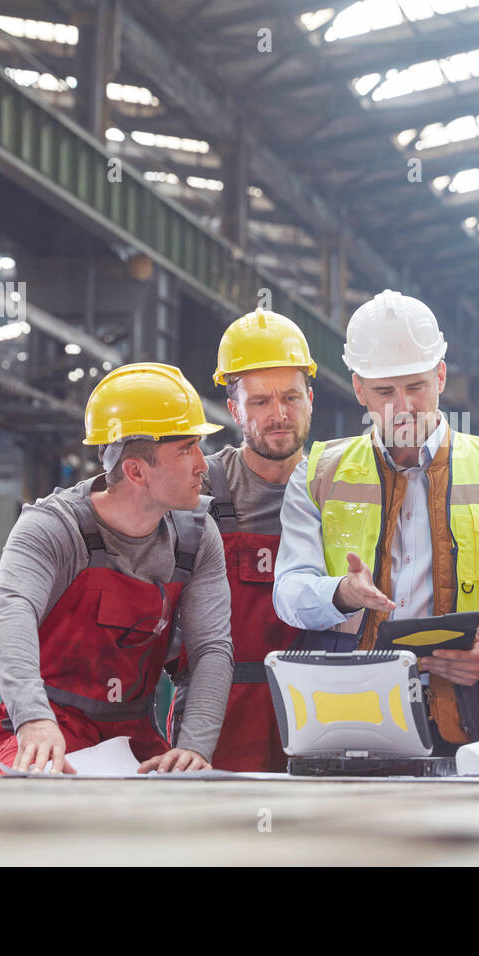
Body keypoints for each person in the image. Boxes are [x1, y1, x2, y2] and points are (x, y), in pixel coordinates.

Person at [273, 290, 479, 753]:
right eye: (385, 392)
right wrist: (340, 594)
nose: (403, 406)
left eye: (416, 387)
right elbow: (288, 591)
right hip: (348, 716)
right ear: (359, 389)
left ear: (441, 376)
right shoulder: (320, 471)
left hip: (471, 717)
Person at [0, 363, 233, 774]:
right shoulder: (52, 529)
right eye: (187, 448)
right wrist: (33, 719)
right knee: (34, 801)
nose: (203, 464)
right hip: (49, 725)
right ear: (135, 471)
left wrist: (194, 748)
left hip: (131, 736)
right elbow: (12, 614)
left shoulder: (197, 537)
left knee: (181, 815)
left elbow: (211, 648)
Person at [165, 310, 314, 771]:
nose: (279, 415)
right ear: (233, 409)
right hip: (217, 716)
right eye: (260, 402)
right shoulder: (199, 486)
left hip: (318, 713)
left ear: (311, 398)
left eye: (290, 397)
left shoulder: (340, 487)